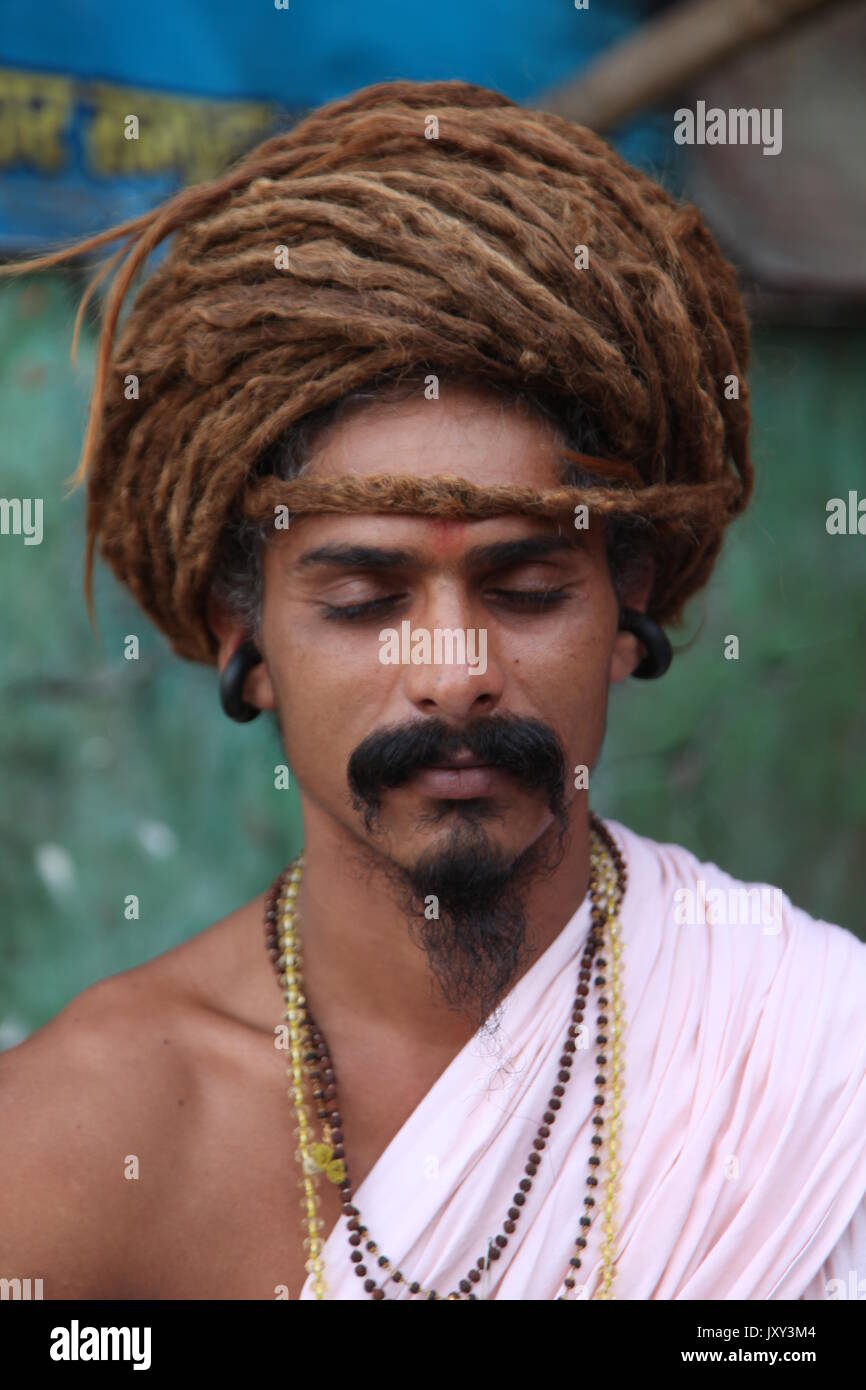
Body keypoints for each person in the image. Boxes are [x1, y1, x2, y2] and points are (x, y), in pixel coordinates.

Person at [0, 78, 863, 1302]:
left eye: (523, 588)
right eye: (363, 600)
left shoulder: (818, 1069)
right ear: (239, 636)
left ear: (630, 610)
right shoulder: (77, 1147)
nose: (454, 674)